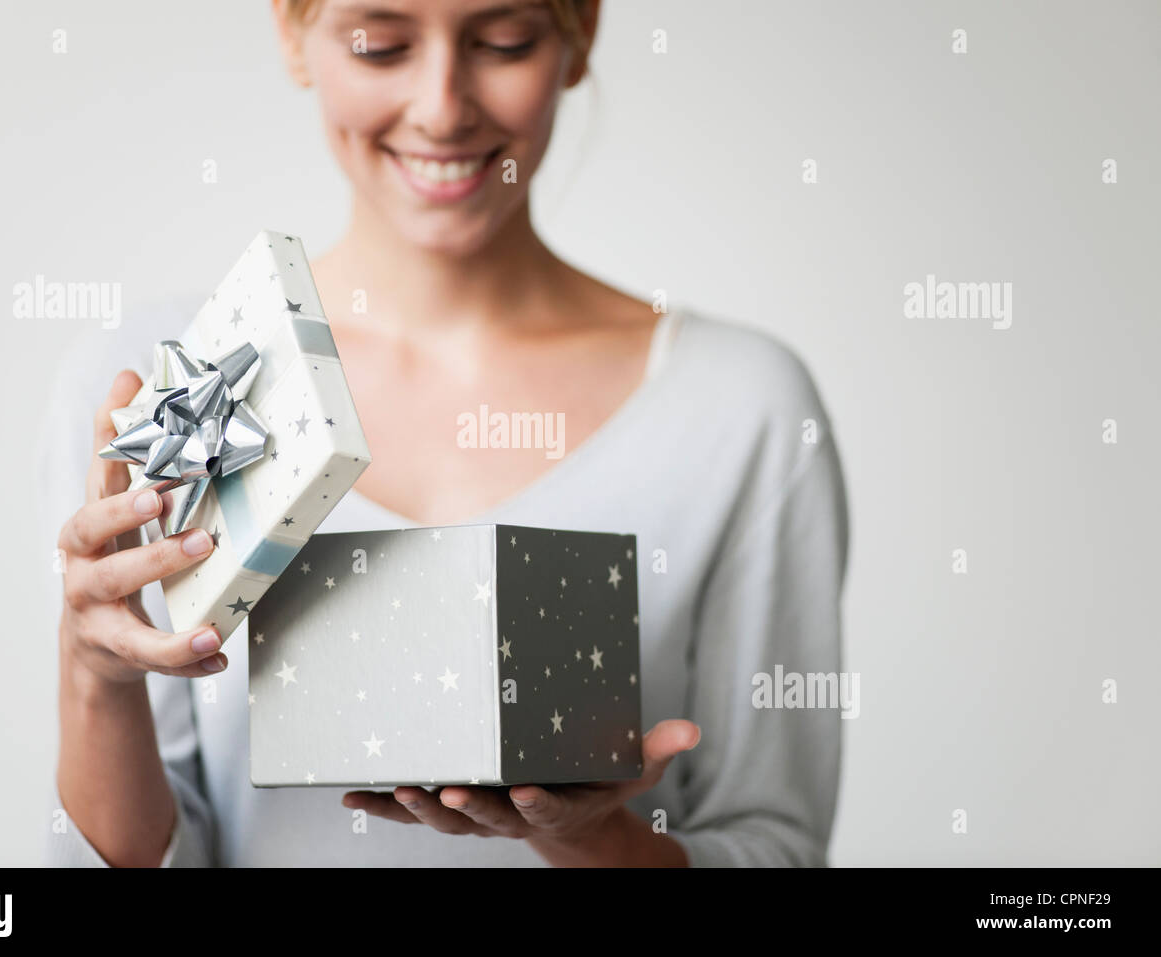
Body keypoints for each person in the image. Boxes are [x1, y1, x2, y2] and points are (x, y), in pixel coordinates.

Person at [41, 0, 849, 867]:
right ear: (292, 33)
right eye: (382, 45)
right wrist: (97, 680)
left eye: (504, 42)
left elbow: (775, 847)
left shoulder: (737, 405)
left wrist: (592, 840)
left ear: (580, 37)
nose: (442, 107)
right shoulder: (162, 380)